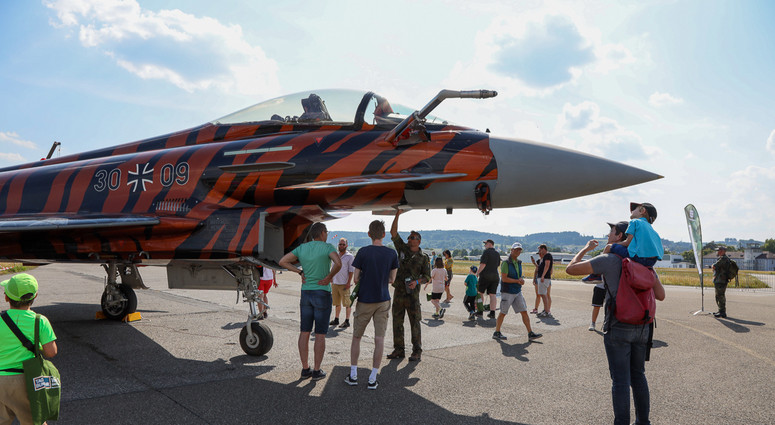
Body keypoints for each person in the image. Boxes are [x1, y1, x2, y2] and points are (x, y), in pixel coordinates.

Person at [566, 221, 666, 425]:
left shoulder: (609, 259)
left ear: (620, 235)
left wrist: (586, 248)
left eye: (611, 231)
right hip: (643, 327)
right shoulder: (645, 264)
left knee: (620, 381)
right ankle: (643, 422)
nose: (608, 234)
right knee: (638, 376)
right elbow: (661, 295)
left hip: (618, 324)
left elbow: (570, 269)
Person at [278, 222, 342, 381]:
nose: (327, 235)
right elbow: (339, 263)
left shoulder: (302, 248)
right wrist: (328, 277)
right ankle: (317, 370)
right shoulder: (327, 248)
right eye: (326, 232)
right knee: (320, 334)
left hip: (306, 292)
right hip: (322, 293)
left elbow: (283, 262)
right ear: (322, 233)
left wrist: (300, 272)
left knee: (304, 331)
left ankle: (305, 368)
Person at [345, 220, 398, 390]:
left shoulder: (363, 252)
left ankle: (353, 374)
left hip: (365, 300)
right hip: (383, 300)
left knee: (357, 337)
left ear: (369, 234)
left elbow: (355, 278)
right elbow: (392, 279)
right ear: (384, 234)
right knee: (379, 339)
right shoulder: (391, 254)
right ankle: (373, 377)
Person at [1, 273, 58, 425]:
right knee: (35, 421)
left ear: (6, 297)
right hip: (23, 380)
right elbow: (51, 352)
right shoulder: (40, 321)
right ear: (35, 296)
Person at [388, 210, 430, 362]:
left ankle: (417, 351)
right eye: (409, 237)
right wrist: (398, 214)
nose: (408, 239)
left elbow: (427, 277)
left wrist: (417, 282)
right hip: (399, 292)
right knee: (397, 321)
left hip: (412, 294)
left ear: (418, 241)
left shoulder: (423, 258)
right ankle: (399, 349)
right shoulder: (402, 249)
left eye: (412, 237)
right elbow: (393, 232)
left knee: (415, 323)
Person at [585, 202, 663, 282]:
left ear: (642, 210)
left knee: (609, 247)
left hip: (640, 258)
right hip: (651, 262)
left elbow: (628, 242)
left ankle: (596, 274)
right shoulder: (652, 231)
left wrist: (615, 244)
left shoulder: (635, 222)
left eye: (634, 209)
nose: (631, 211)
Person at [492, 243, 542, 341]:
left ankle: (530, 333)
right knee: (503, 312)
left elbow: (518, 276)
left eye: (519, 250)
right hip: (507, 291)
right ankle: (496, 332)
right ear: (512, 250)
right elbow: (504, 279)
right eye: (516, 249)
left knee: (524, 311)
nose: (518, 251)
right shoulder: (506, 263)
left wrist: (520, 280)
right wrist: (517, 281)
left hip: (517, 291)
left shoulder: (519, 262)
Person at [330, 238, 355, 329]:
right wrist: (331, 278)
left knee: (347, 303)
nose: (341, 246)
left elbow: (351, 271)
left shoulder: (349, 256)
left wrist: (348, 282)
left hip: (344, 284)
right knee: (337, 303)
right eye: (340, 244)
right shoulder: (335, 255)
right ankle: (336, 319)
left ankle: (347, 321)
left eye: (343, 244)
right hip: (335, 283)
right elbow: (333, 267)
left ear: (346, 246)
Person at [476, 239, 501, 319]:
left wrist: (477, 273)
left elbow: (483, 264)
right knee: (492, 295)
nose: (484, 245)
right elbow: (497, 265)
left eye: (485, 244)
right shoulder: (497, 253)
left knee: (480, 293)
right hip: (495, 276)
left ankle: (480, 311)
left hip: (485, 275)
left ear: (490, 244)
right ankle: (492, 312)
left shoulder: (486, 252)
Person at [711, 246, 732, 318]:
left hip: (721, 280)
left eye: (719, 250)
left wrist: (713, 266)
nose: (718, 252)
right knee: (718, 296)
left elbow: (715, 266)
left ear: (723, 251)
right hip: (720, 280)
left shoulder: (724, 259)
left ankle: (722, 312)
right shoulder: (723, 259)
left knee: (720, 296)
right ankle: (720, 310)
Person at [535, 244, 554, 318]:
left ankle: (546, 311)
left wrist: (543, 276)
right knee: (543, 294)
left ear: (543, 249)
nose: (539, 251)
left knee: (543, 295)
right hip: (542, 277)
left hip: (544, 278)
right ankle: (545, 310)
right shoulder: (543, 257)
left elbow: (547, 266)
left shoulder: (547, 255)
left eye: (540, 250)